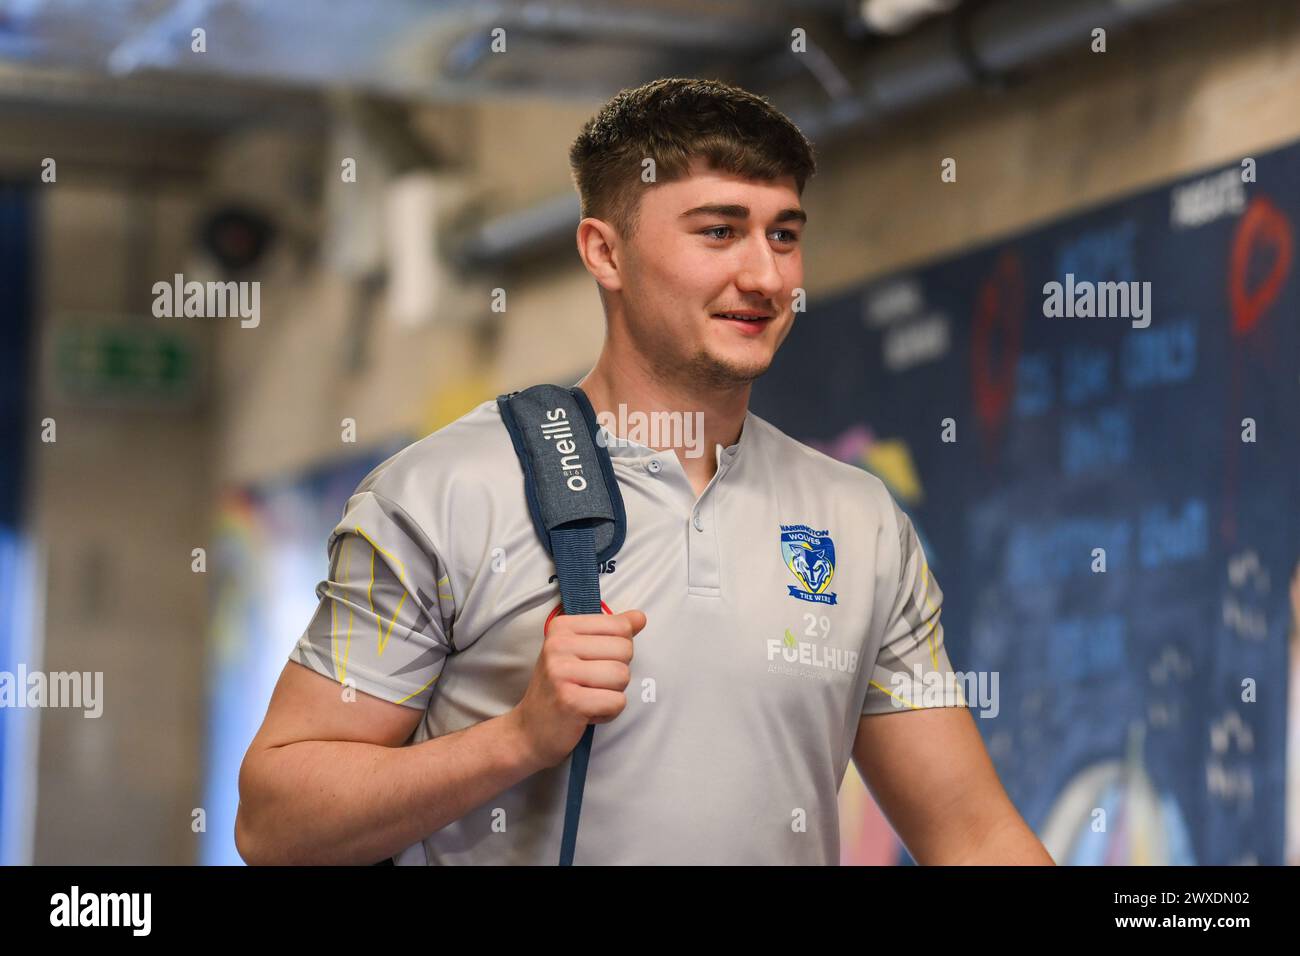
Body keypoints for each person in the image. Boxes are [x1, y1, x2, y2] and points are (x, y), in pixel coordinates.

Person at [234, 76, 1053, 865]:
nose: (766, 276)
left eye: (785, 234)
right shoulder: (445, 494)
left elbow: (972, 839)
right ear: (605, 252)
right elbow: (275, 823)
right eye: (719, 231)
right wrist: (517, 738)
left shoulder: (859, 519)